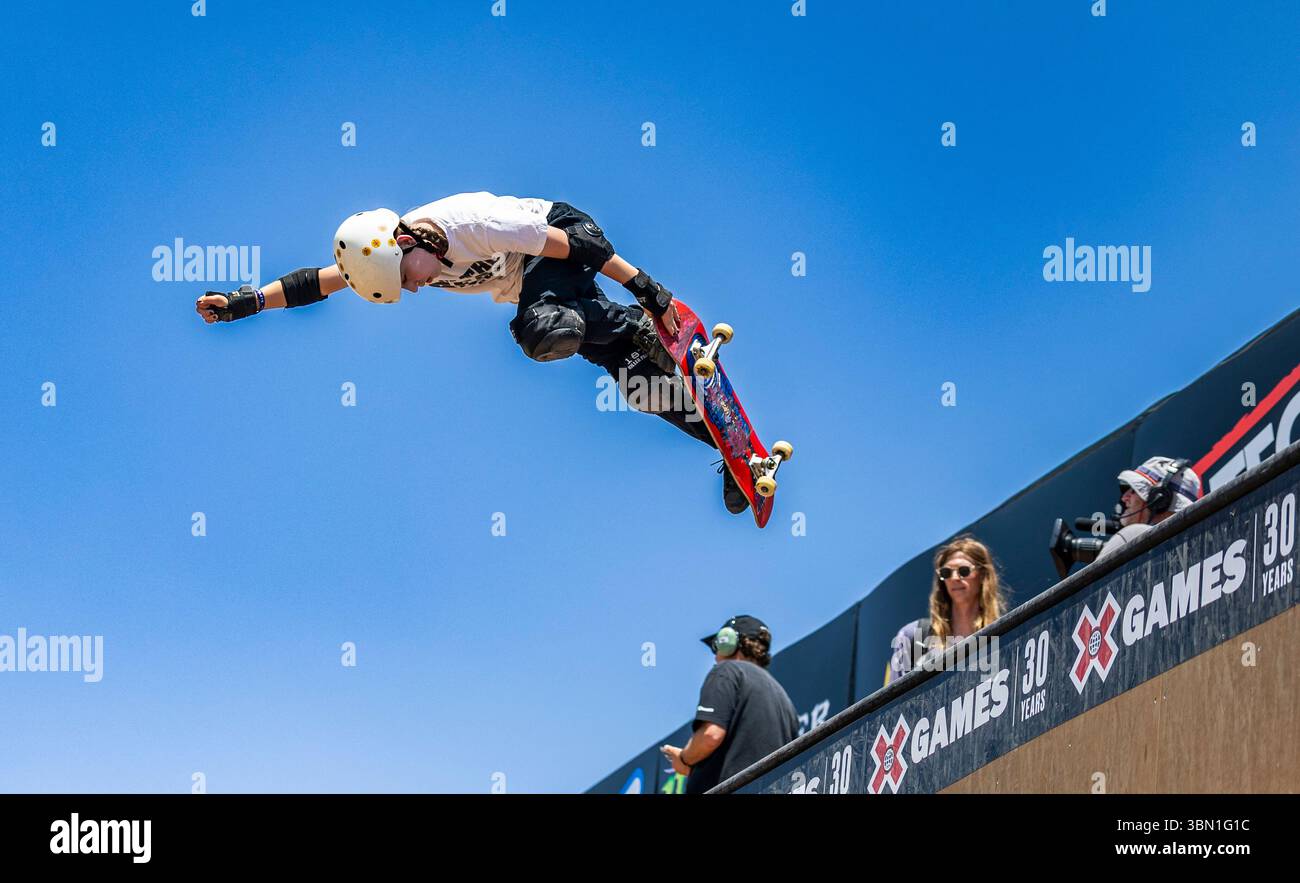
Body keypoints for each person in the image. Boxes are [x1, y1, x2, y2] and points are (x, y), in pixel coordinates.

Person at [194, 192, 751, 514]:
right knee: (637, 384)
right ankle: (736, 456)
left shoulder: (474, 225)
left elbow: (588, 247)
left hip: (564, 240)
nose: (415, 288)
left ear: (406, 243)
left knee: (539, 331)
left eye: (406, 278)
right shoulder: (386, 254)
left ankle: (635, 326)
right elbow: (316, 283)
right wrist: (248, 303)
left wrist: (649, 293)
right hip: (549, 295)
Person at [661, 615, 799, 794]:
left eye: (717, 646)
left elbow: (710, 736)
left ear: (729, 642)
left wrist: (684, 758)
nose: (715, 656)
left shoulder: (726, 671)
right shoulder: (785, 701)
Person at [885, 536, 1007, 685]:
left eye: (964, 571)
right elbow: (897, 697)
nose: (954, 578)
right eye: (946, 573)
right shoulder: (914, 636)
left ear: (982, 575)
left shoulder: (1003, 638)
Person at [1093, 456, 1202, 563]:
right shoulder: (1196, 550)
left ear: (1159, 498)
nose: (1124, 498)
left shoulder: (1133, 533)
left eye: (1132, 490)